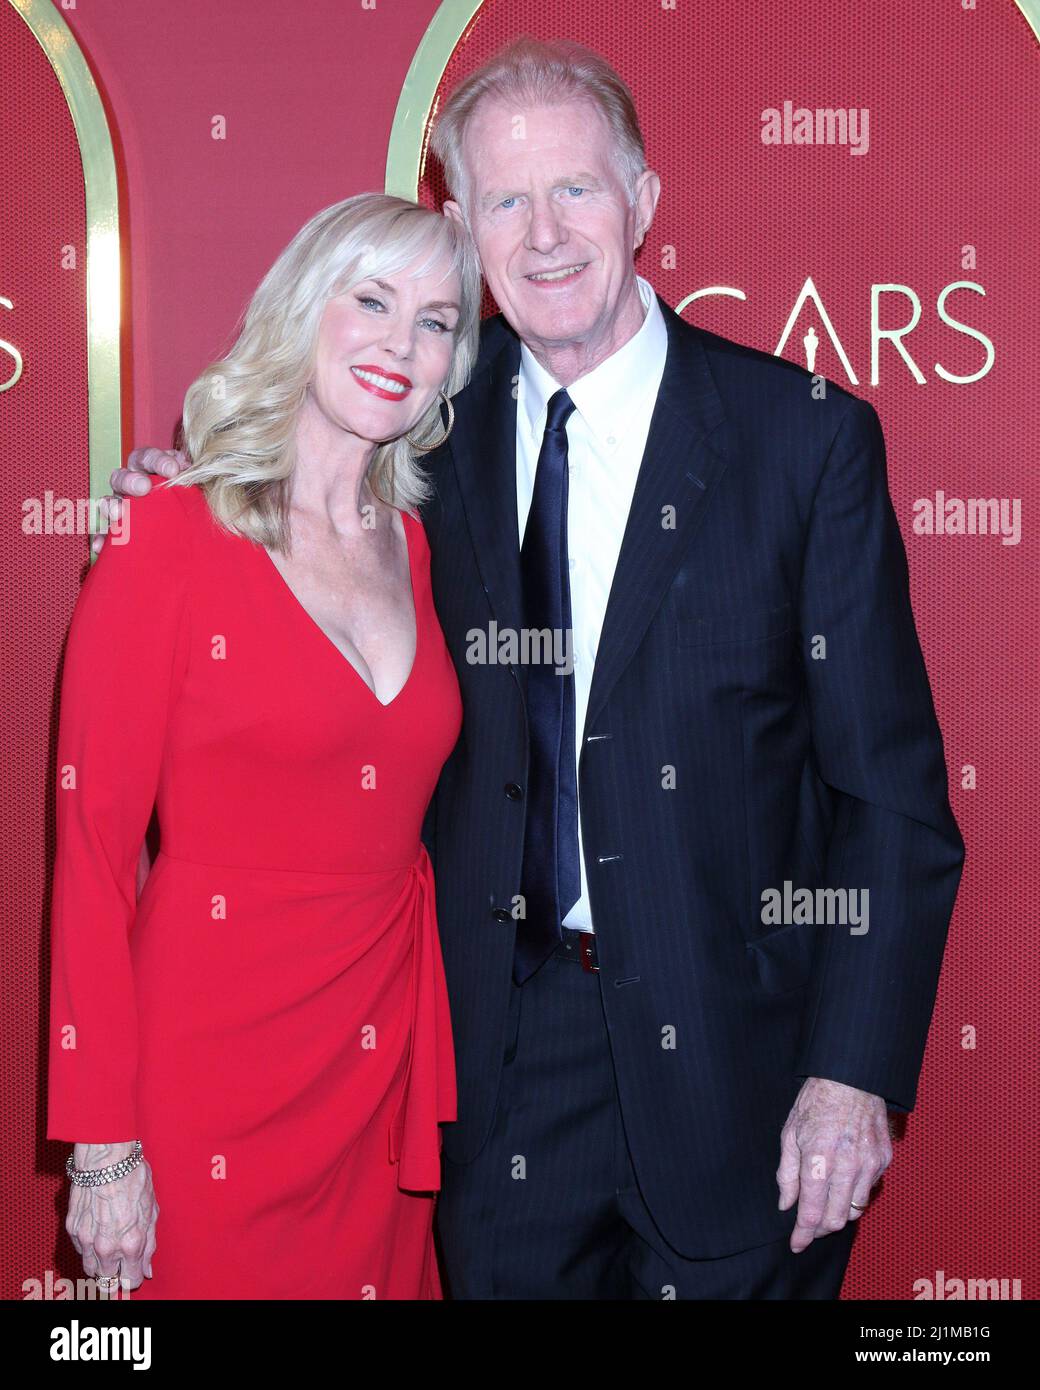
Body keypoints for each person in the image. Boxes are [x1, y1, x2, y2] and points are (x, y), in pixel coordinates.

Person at [102, 38, 965, 1300]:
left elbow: (888, 800)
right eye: (505, 199)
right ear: (465, 223)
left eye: (576, 190)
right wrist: (190, 491)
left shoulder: (802, 440)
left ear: (644, 203)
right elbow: (291, 538)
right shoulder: (419, 433)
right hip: (493, 1077)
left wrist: (852, 1072)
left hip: (747, 1074)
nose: (545, 233)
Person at [48, 192, 483, 1299]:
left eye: (436, 321)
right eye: (372, 300)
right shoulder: (166, 532)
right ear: (301, 311)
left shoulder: (421, 546)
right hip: (210, 1066)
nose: (401, 343)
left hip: (378, 1066)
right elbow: (94, 862)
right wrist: (104, 1149)